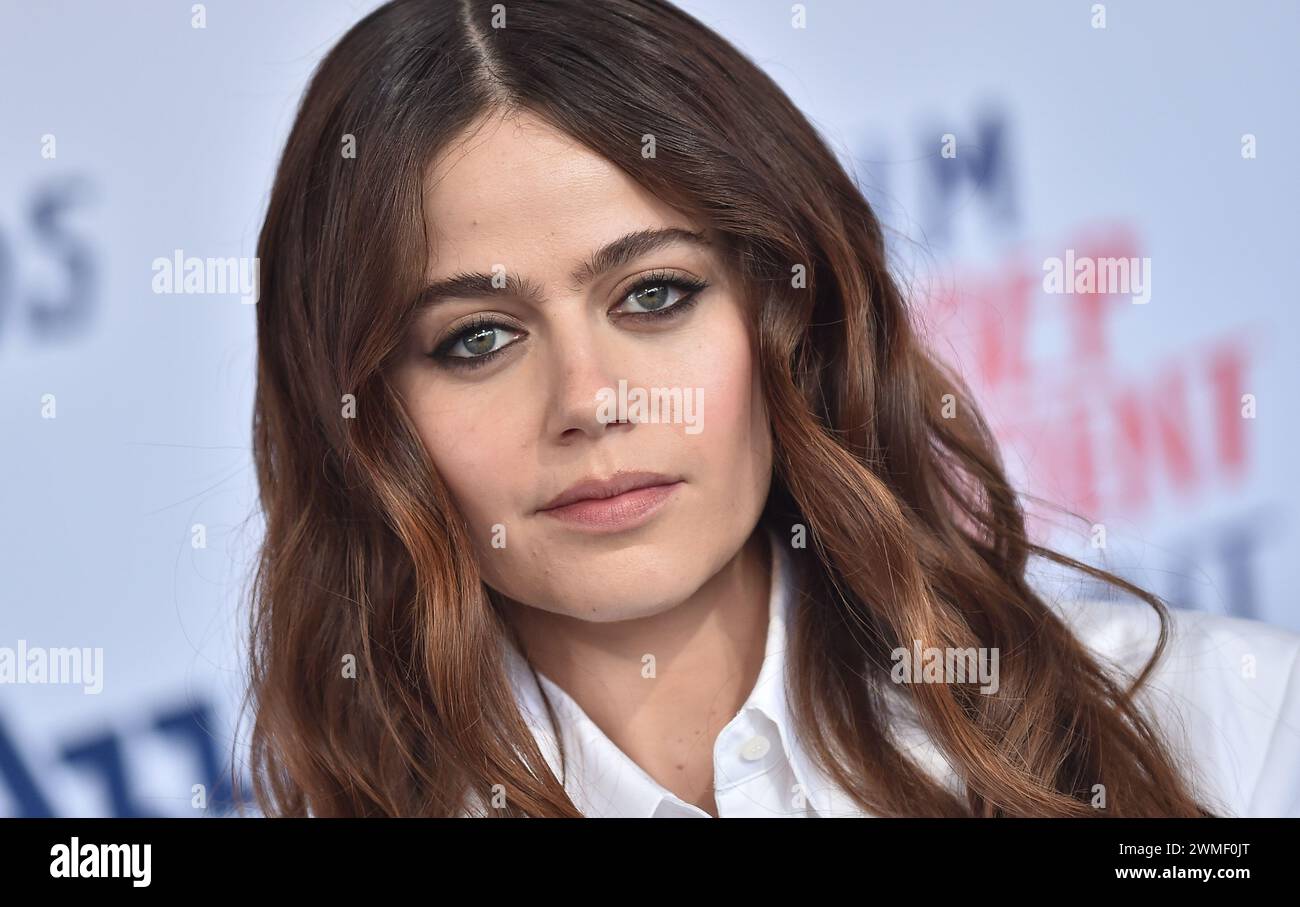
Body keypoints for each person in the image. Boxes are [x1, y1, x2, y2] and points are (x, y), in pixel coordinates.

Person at [241, 0, 1300, 818]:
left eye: (654, 293)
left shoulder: (1223, 728)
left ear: (789, 315)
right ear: (362, 417)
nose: (592, 401)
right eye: (477, 337)